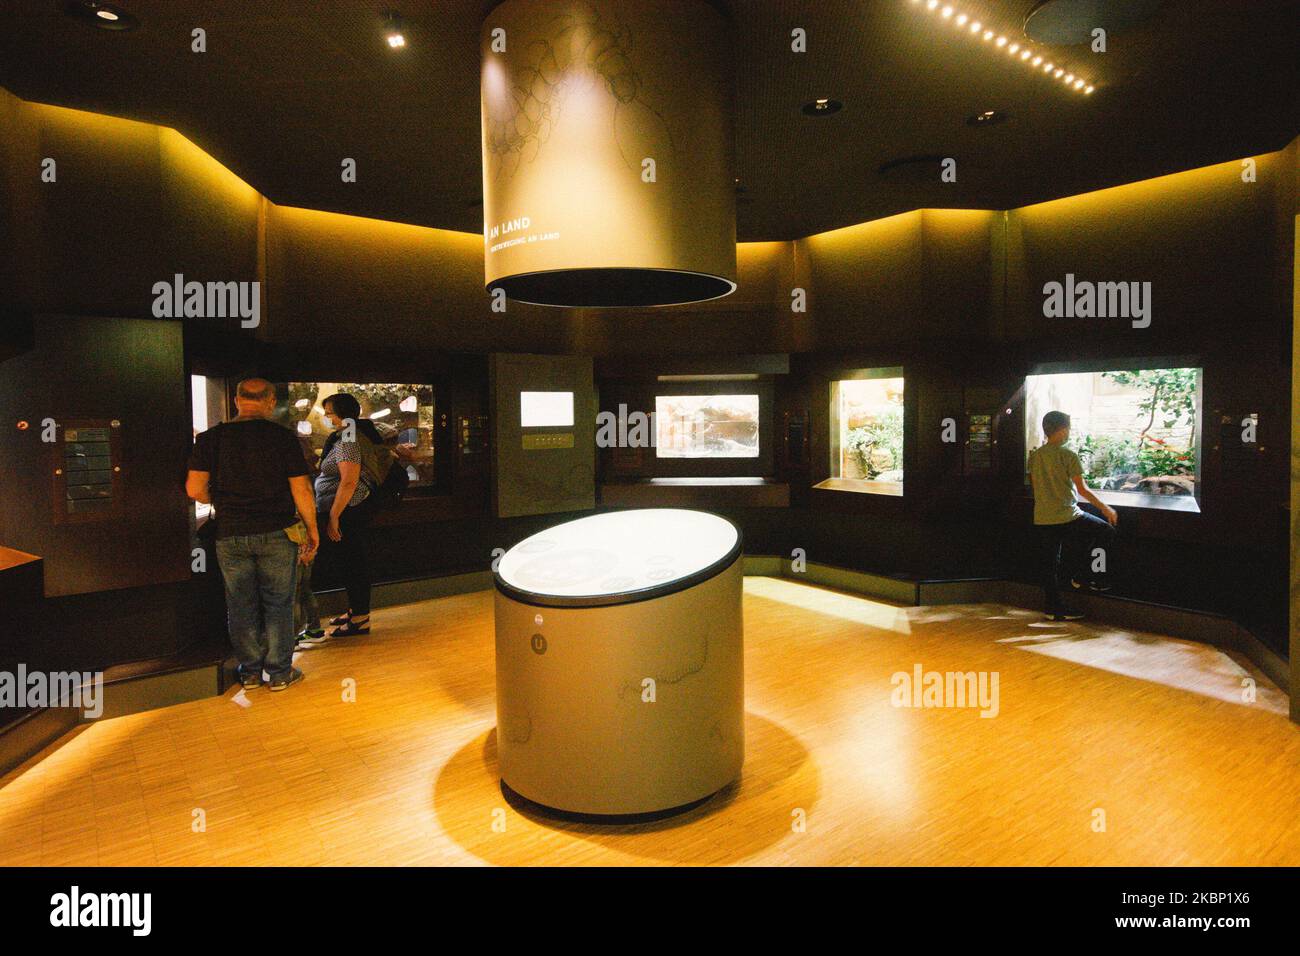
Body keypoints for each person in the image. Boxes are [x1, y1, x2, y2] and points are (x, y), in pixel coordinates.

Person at [186, 378, 319, 691]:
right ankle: (279, 673)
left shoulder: (210, 438)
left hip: (229, 533)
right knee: (278, 603)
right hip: (276, 532)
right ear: (270, 401)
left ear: (236, 400)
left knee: (240, 604)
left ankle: (249, 672)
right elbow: (300, 488)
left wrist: (219, 501)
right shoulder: (283, 439)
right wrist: (312, 529)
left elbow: (194, 489)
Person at [299, 392, 383, 644]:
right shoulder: (350, 434)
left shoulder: (348, 437)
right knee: (351, 560)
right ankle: (355, 611)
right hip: (349, 509)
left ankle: (360, 618)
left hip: (349, 511)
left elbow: (348, 480)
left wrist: (334, 516)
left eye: (330, 412)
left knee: (353, 562)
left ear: (343, 413)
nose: (326, 417)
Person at [1028, 410, 1118, 622]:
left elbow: (1035, 487)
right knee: (1105, 531)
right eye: (1067, 428)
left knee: (1050, 564)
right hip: (1068, 516)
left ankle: (1053, 608)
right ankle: (1088, 577)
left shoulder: (1036, 456)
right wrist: (1106, 508)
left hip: (1042, 518)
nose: (1069, 432)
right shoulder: (1068, 455)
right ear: (1061, 430)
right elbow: (1083, 490)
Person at [292, 435, 325, 643]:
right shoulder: (311, 477)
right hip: (308, 539)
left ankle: (293, 634)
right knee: (304, 588)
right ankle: (314, 627)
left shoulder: (295, 482)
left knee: (293, 593)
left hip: (296, 539)